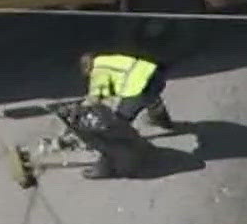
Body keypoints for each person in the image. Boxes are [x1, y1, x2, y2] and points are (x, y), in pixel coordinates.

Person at [74, 51, 174, 180]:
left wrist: (79, 110)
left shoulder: (97, 71)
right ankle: (161, 119)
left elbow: (94, 98)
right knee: (150, 98)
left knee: (115, 126)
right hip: (155, 76)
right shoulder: (108, 60)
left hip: (139, 87)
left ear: (87, 68)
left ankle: (106, 167)